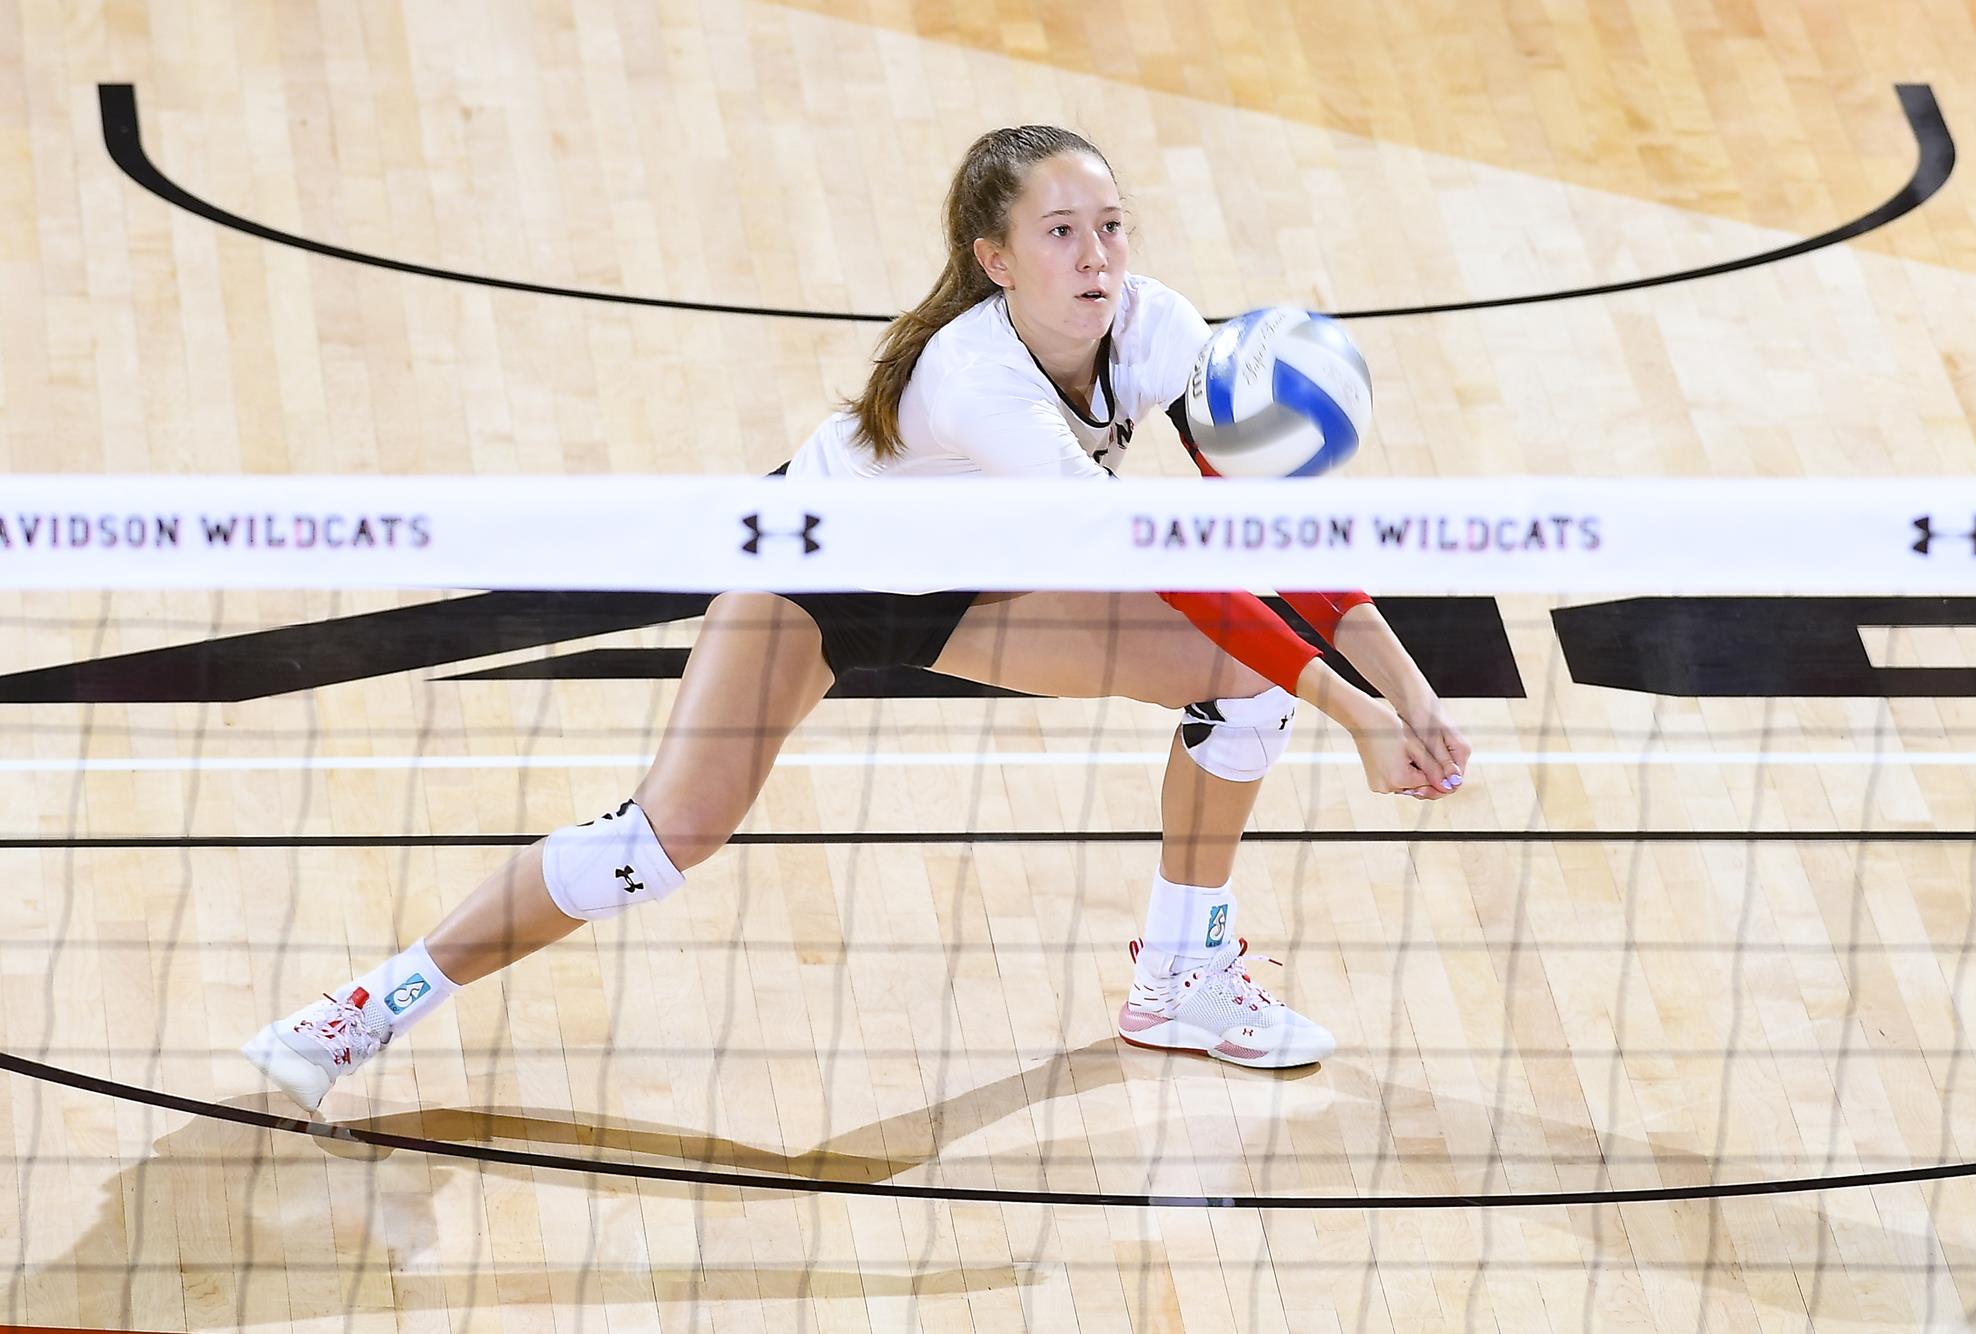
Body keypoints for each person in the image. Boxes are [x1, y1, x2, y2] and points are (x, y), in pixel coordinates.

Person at [242, 126, 1469, 1113]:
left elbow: (1260, 538)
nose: (1095, 254)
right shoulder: (978, 378)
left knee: (1243, 682)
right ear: (994, 259)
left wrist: (1403, 691)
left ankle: (1182, 978)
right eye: (1059, 232)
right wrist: (1355, 712)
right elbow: (1181, 570)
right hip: (813, 574)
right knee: (657, 844)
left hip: (963, 591)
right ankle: (360, 1010)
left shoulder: (1152, 329)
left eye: (1108, 226)